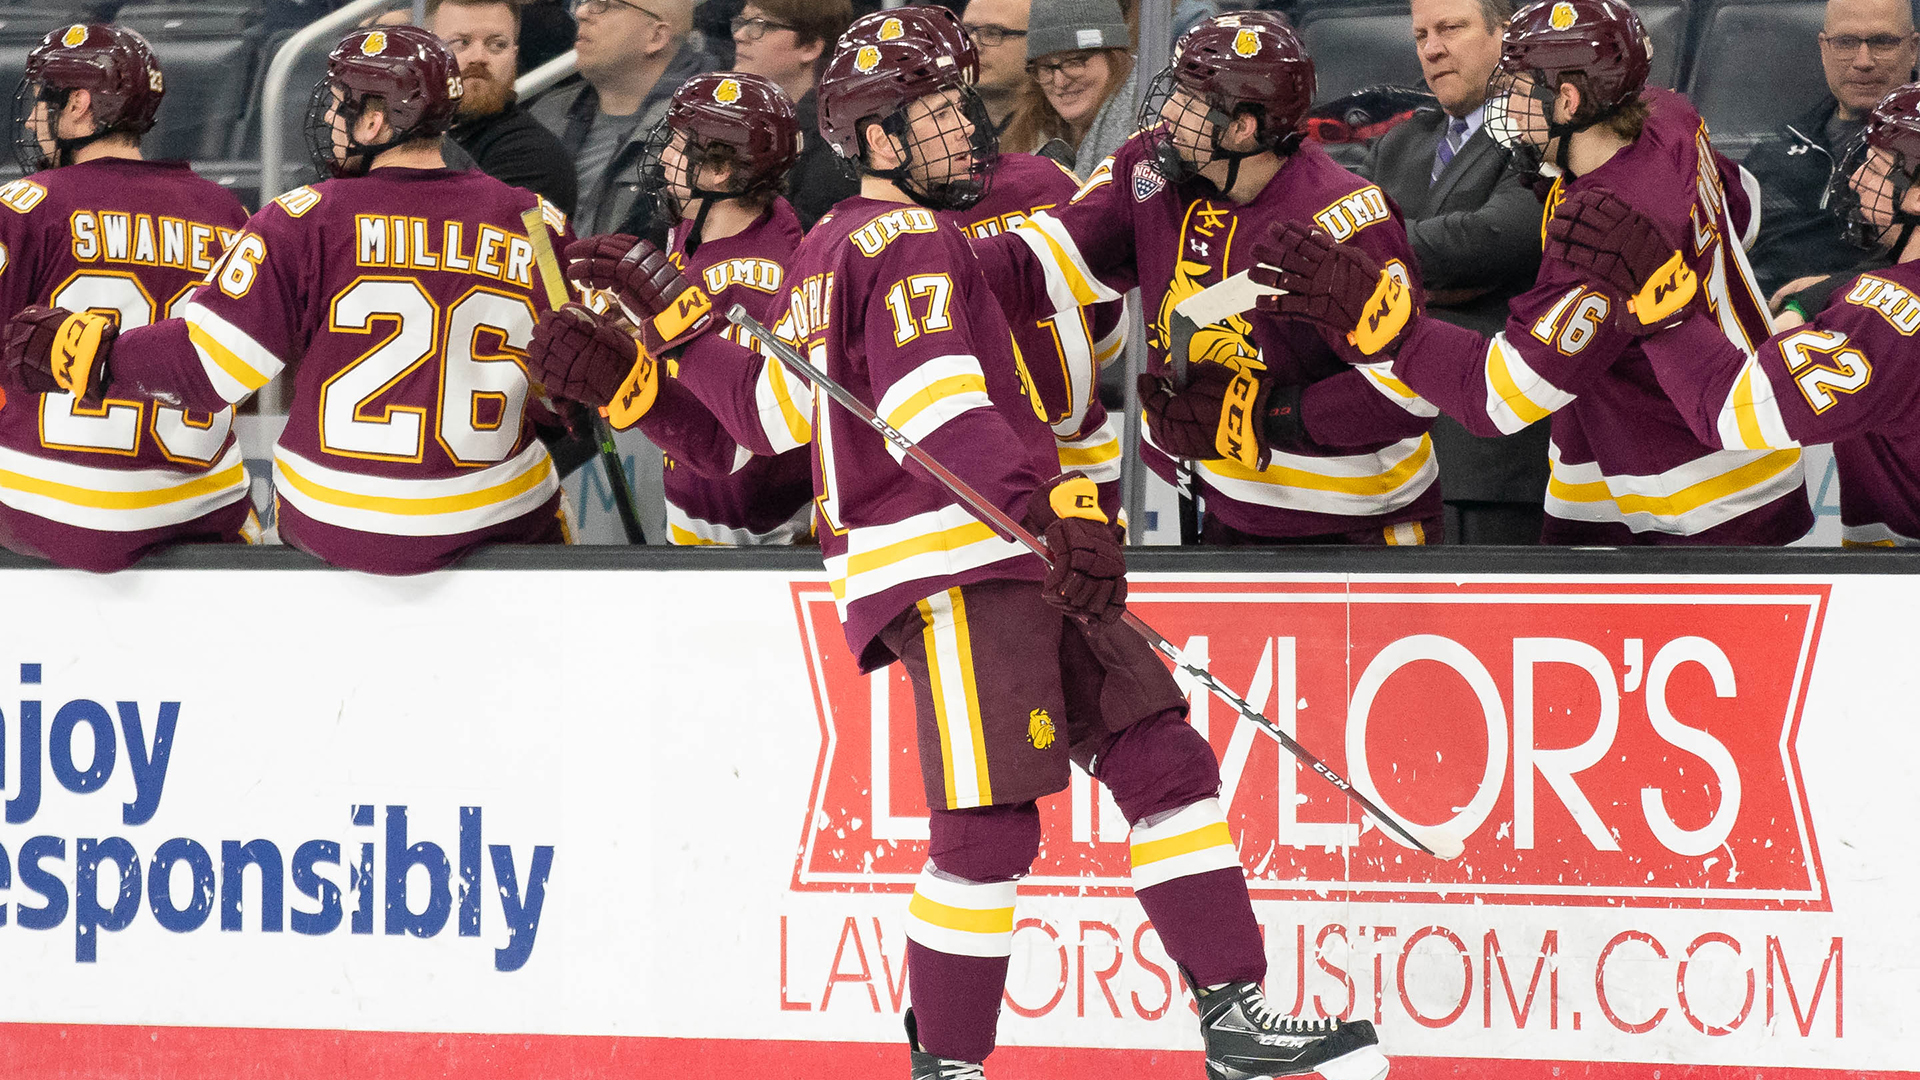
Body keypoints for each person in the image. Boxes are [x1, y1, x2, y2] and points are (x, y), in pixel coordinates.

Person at [518, 11, 1387, 1080]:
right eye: (933, 115)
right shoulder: (903, 243)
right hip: (960, 563)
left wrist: (681, 331)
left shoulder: (840, 243)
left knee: (1162, 757)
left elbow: (770, 418)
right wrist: (1057, 510)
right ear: (877, 142)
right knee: (987, 834)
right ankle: (953, 1068)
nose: (961, 128)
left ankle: (1237, 1021)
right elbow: (944, 418)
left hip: (1007, 548)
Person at [5, 26, 575, 574]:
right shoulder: (535, 220)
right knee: (548, 504)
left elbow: (207, 369)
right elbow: (569, 393)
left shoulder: (302, 219)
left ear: (375, 121)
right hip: (489, 522)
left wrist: (91, 356)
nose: (328, 118)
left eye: (339, 105)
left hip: (333, 519)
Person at [1254, 0, 1813, 545]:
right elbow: (1746, 209)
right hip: (1639, 470)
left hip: (1698, 498)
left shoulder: (1602, 234)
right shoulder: (1671, 117)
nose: (1506, 110)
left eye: (1519, 92)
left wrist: (1388, 321)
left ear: (1568, 101)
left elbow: (1500, 397)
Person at [976, 12, 1445, 546]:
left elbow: (1411, 394)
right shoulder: (1150, 171)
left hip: (1362, 526)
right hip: (1224, 512)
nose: (1168, 114)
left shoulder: (1345, 218)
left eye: (1189, 101)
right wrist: (921, 263)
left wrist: (1269, 416)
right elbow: (1037, 262)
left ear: (1243, 128)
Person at [1557, 83, 1920, 547]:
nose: (1856, 177)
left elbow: (1734, 410)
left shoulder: (1887, 316)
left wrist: (1666, 309)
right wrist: (1830, 292)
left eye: (1878, 162)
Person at [0, 24, 254, 572]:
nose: (28, 120)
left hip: (39, 509)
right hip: (200, 514)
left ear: (79, 104)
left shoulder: (24, 208)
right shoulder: (229, 215)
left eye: (43, 101)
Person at [1356, 0, 1548, 544]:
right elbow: (1337, 234)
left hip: (1490, 463)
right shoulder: (1399, 141)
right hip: (1387, 463)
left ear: (1506, 35)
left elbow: (1494, 241)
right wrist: (1432, 277)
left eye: (1451, 28)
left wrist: (1378, 271)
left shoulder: (1542, 127)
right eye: (1421, 35)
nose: (1431, 49)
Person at [1744, 0, 1920, 299]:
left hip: (1872, 325)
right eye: (1845, 42)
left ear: (1914, 49)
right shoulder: (1774, 148)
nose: (1863, 61)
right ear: (1824, 49)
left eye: (1882, 42)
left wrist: (1829, 293)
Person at [529, 0, 715, 237]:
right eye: (583, 2)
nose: (581, 13)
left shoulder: (703, 133)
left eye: (603, 4)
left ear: (656, 36)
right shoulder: (548, 112)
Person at [431, 0, 579, 216]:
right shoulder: (399, 131)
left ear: (514, 55)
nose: (479, 57)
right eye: (461, 42)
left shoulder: (534, 156)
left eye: (497, 45)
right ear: (429, 53)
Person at [728, 0, 857, 227]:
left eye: (761, 25)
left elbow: (804, 243)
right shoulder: (722, 117)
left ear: (810, 48)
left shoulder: (832, 144)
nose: (740, 35)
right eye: (742, 22)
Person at [1001, 0, 1134, 172]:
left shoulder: (1147, 119)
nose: (1059, 82)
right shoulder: (1033, 127)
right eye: (1047, 68)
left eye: (1074, 62)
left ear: (1115, 57)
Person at [960, 0, 1030, 131]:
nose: (972, 46)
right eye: (966, 31)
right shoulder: (937, 127)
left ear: (1034, 41)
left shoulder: (1066, 131)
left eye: (993, 33)